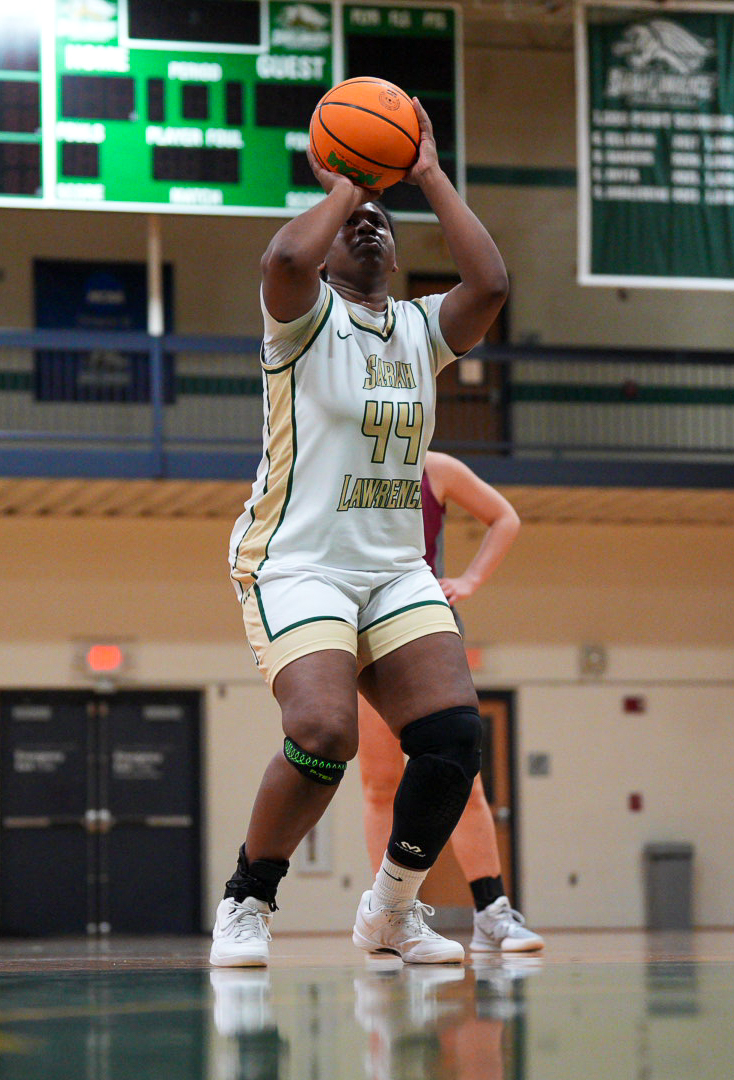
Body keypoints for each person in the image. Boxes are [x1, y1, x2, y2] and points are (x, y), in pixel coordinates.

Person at [212, 95, 509, 967]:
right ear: (331, 237)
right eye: (355, 222)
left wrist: (426, 174)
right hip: (297, 562)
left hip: (390, 568)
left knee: (454, 738)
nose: (370, 226)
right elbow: (283, 253)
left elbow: (490, 284)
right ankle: (247, 898)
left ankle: (390, 909)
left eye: (384, 221)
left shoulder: (421, 328)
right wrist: (350, 182)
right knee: (325, 734)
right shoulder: (300, 317)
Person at [356, 452, 544, 953]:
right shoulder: (339, 459)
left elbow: (505, 516)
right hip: (361, 624)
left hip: (423, 625)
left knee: (462, 777)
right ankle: (388, 916)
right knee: (379, 783)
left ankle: (492, 911)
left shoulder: (436, 468)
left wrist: (471, 580)